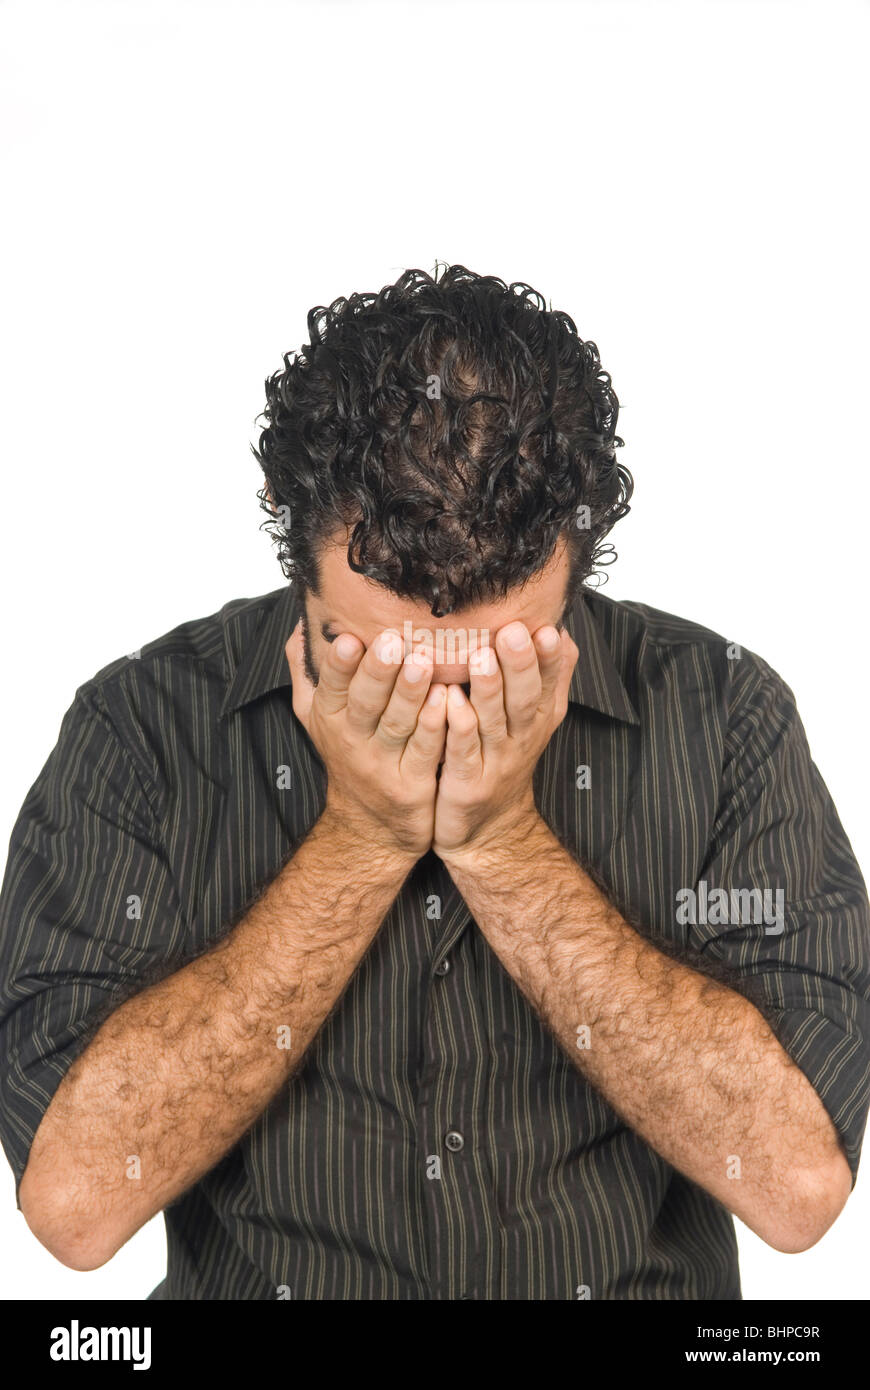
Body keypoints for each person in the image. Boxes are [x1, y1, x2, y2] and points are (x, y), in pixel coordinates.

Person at [1, 264, 867, 1300]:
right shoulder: (142, 727)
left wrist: (502, 842)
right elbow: (78, 1209)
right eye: (373, 663)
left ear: (576, 565)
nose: (441, 721)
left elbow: (795, 1190)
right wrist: (360, 837)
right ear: (294, 547)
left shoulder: (726, 715)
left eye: (500, 667)